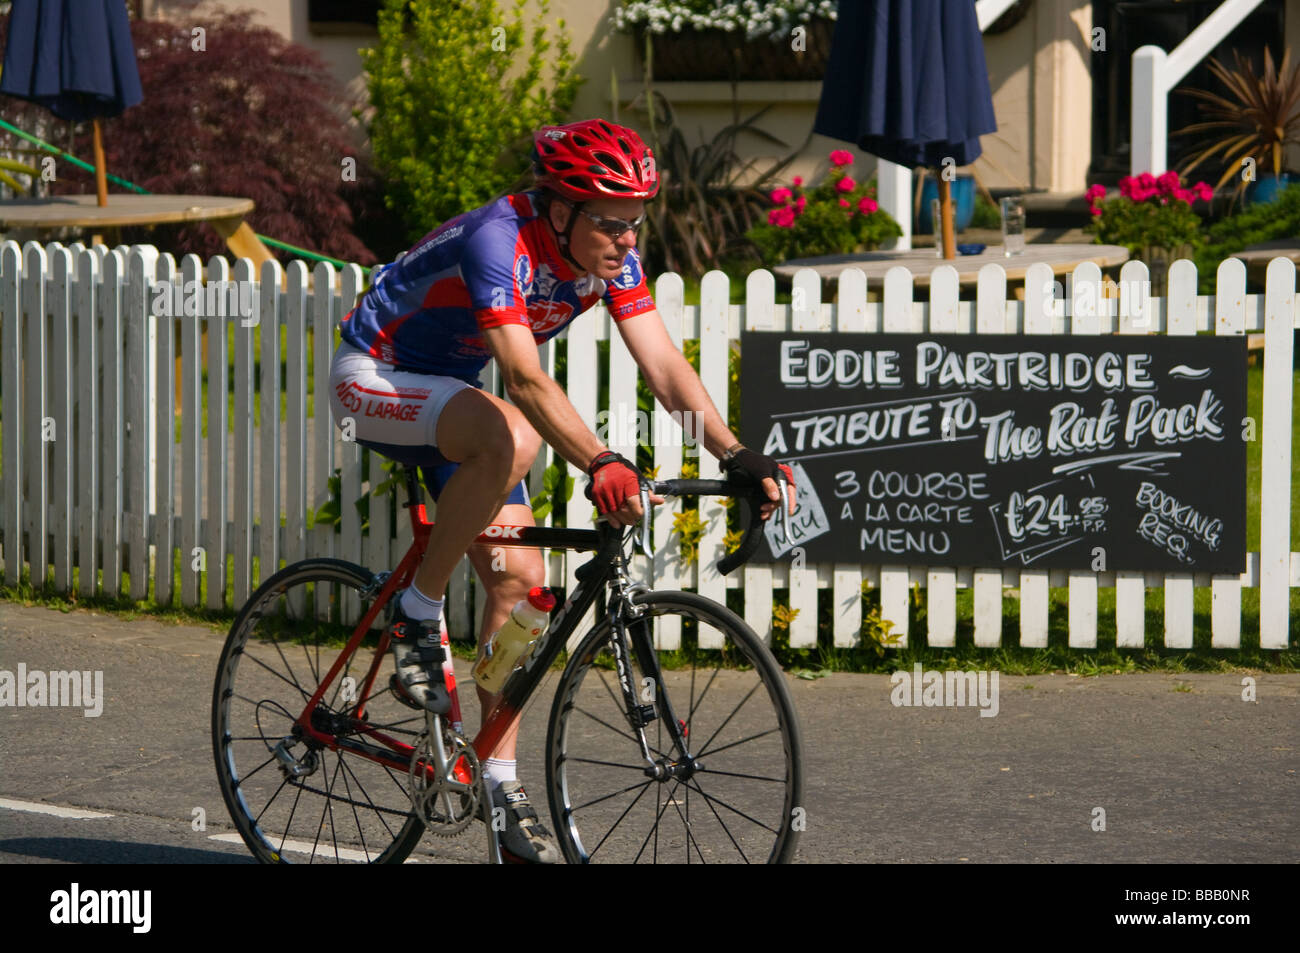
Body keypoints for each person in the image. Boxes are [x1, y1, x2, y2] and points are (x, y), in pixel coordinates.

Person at [328, 117, 793, 863]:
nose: (627, 239)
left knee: (521, 580)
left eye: (637, 222)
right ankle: (418, 608)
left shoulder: (609, 261)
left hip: (449, 393)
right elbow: (524, 379)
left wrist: (737, 452)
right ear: (560, 209)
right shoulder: (498, 240)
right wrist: (600, 459)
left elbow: (665, 368)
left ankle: (499, 783)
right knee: (515, 434)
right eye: (611, 222)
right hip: (373, 377)